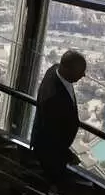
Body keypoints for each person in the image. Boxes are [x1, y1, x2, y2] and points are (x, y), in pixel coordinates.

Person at [31, 49, 87, 187]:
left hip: (50, 146)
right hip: (50, 152)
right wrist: (66, 154)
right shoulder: (53, 98)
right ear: (67, 70)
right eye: (80, 72)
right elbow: (51, 135)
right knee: (50, 180)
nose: (83, 75)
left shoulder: (55, 70)